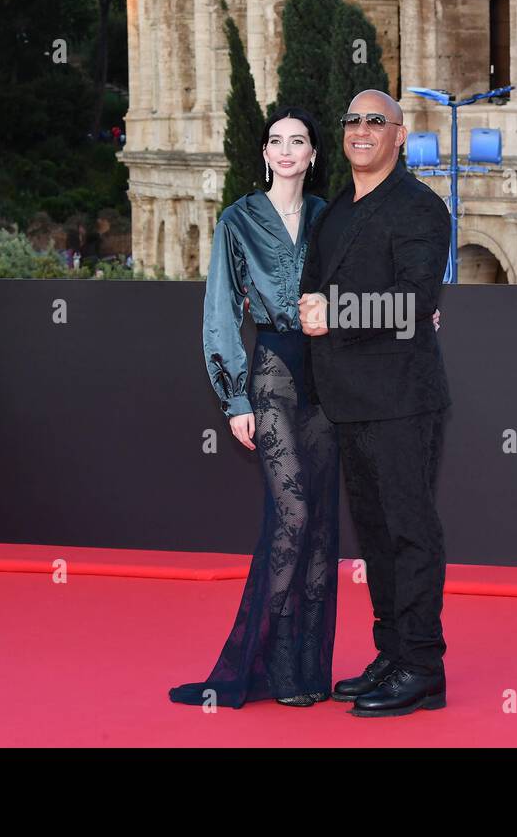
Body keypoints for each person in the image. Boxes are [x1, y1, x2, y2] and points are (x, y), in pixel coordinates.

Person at [168, 107, 340, 708]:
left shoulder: (328, 217)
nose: (287, 150)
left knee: (319, 524)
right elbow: (221, 314)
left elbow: (356, 287)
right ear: (263, 153)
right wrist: (233, 396)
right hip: (271, 371)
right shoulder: (237, 220)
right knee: (291, 515)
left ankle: (311, 664)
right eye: (276, 141)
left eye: (298, 141)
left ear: (314, 154)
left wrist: (410, 311)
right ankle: (276, 659)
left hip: (327, 376)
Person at [298, 89, 452, 718]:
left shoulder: (420, 208)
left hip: (401, 400)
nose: (361, 130)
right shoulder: (336, 208)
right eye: (353, 120)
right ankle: (391, 654)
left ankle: (423, 666)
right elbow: (314, 288)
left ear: (399, 135)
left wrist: (334, 313)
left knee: (410, 531)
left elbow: (415, 302)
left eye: (375, 122)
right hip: (348, 400)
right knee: (377, 536)